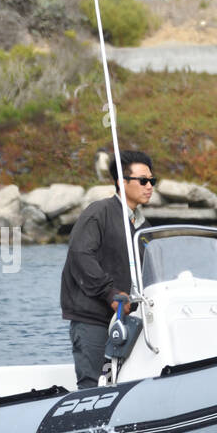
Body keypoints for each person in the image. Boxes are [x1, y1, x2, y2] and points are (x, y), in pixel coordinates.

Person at [60, 149, 155, 389]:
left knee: (128, 381)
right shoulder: (98, 213)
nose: (149, 186)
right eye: (143, 180)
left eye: (152, 181)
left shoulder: (144, 227)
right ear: (122, 182)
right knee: (94, 385)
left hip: (131, 320)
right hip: (94, 319)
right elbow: (80, 255)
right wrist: (109, 293)